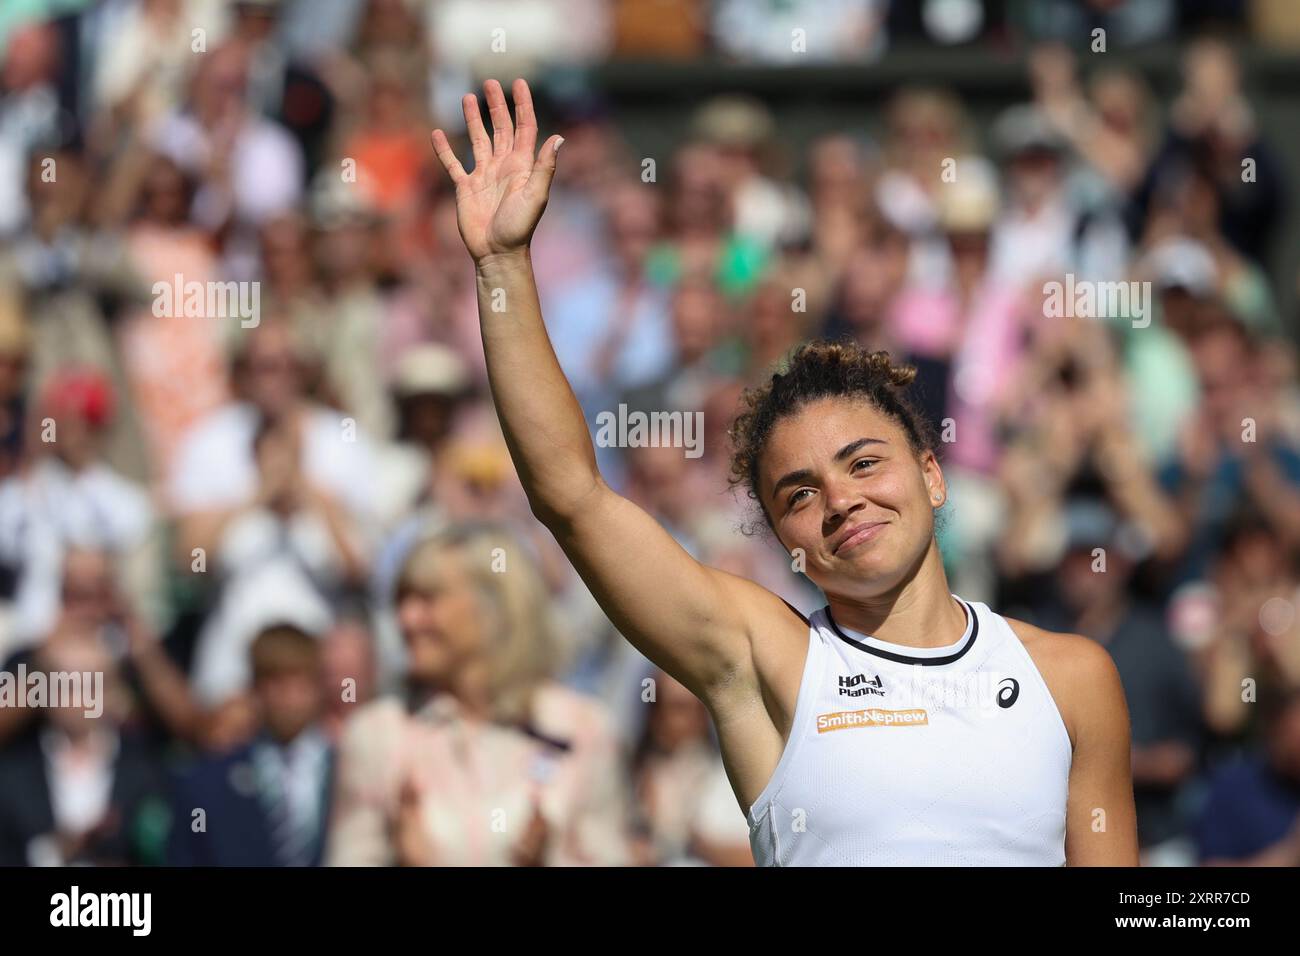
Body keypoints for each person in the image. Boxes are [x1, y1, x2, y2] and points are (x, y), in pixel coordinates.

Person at [428, 77, 1139, 866]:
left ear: (934, 476)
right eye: (799, 493)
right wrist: (500, 266)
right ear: (779, 534)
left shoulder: (1074, 678)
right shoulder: (762, 659)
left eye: (864, 461)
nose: (840, 498)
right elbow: (571, 497)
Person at [326, 522, 630, 866]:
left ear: (495, 607)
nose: (406, 619)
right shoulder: (379, 733)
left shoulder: (581, 729)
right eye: (402, 600)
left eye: (428, 599)